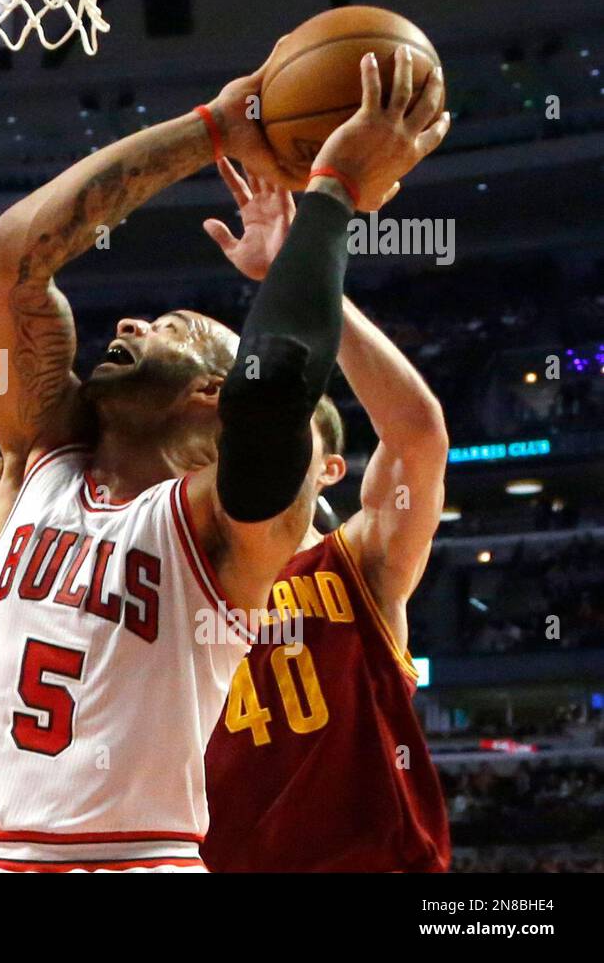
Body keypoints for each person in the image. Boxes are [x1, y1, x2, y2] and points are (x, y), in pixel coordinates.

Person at [0, 46, 450, 872]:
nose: (130, 323)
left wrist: (332, 197)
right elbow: (7, 258)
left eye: (167, 325)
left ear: (213, 390)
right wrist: (215, 126)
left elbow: (280, 382)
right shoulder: (42, 458)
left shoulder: (226, 530)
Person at [198, 158, 451, 871]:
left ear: (332, 467)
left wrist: (303, 273)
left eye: (293, 422)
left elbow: (419, 435)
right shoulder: (187, 569)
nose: (266, 431)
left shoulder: (360, 562)